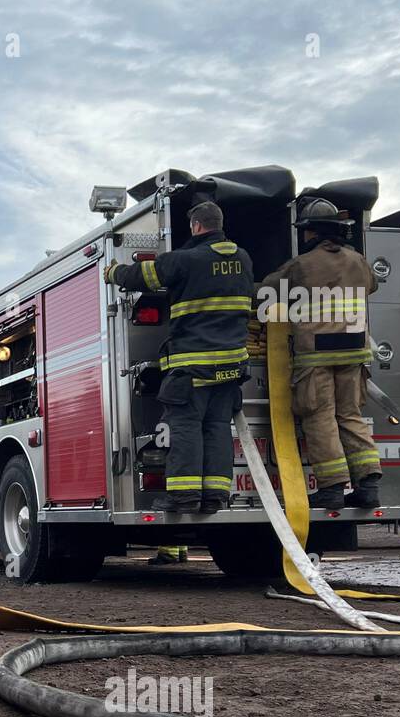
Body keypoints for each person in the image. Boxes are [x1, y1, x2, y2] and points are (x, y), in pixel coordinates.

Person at [105, 200, 253, 514]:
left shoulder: (186, 260)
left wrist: (112, 271)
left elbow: (142, 276)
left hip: (193, 367)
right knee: (216, 428)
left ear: (197, 226)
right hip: (231, 367)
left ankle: (184, 496)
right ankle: (214, 496)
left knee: (185, 428)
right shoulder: (243, 258)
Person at [257, 198, 380, 509]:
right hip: (354, 353)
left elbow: (266, 293)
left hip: (317, 358)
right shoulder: (358, 261)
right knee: (350, 415)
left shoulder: (301, 266)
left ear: (310, 233)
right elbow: (372, 286)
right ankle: (368, 484)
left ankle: (332, 487)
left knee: (320, 418)